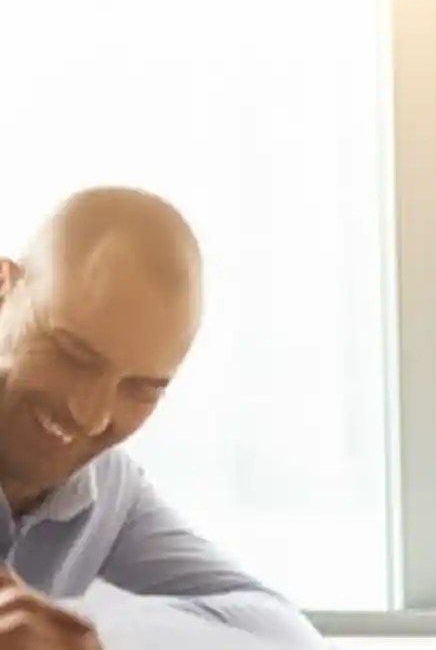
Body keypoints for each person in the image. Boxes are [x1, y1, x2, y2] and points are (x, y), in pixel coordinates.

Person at [0, 186, 323, 648]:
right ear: (3, 289)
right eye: (73, 355)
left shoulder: (107, 492)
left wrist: (79, 634)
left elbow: (285, 636)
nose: (91, 417)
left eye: (140, 389)